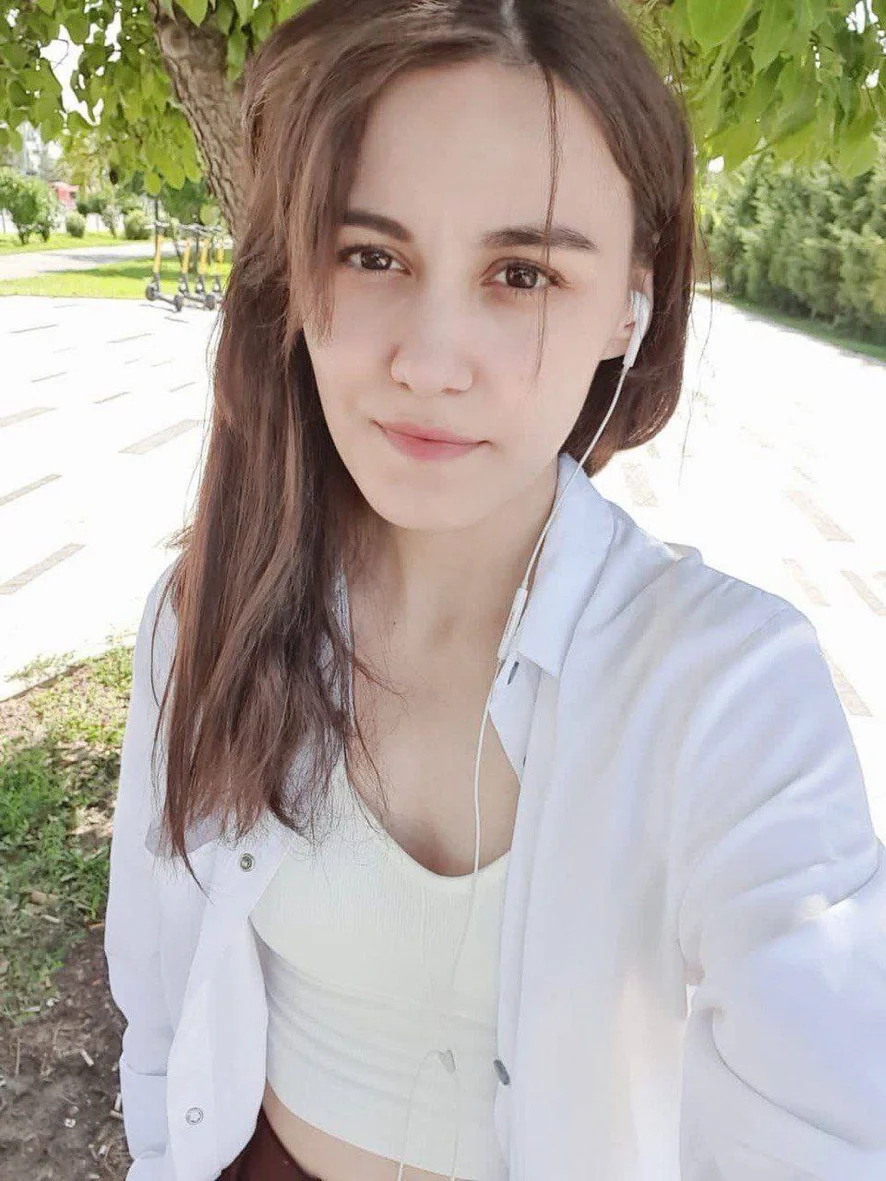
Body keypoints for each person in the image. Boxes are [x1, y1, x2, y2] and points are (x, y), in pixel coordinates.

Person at [102, 0, 886, 1178]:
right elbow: (162, 1010)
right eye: (372, 255)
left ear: (629, 304)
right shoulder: (206, 612)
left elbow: (827, 1113)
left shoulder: (730, 692)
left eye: (522, 273)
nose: (429, 362)